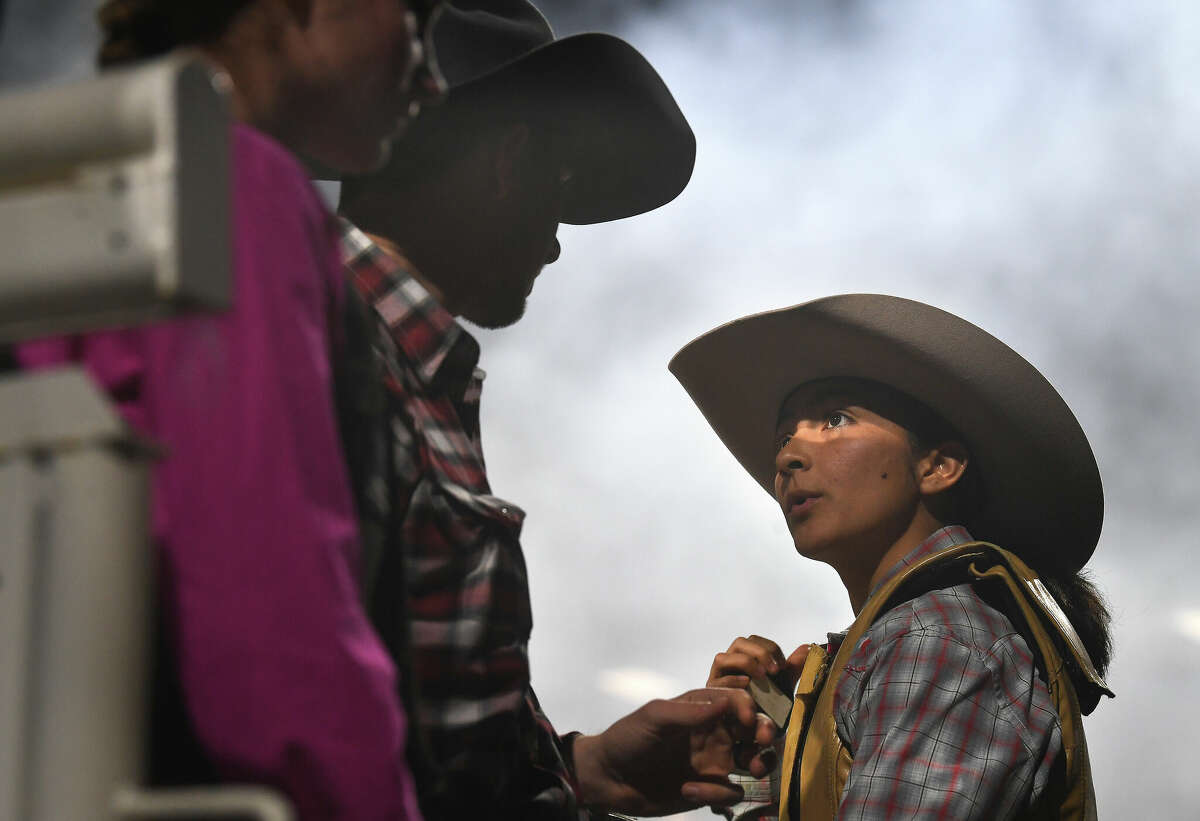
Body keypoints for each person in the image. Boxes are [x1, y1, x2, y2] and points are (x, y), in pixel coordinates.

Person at [334, 1, 772, 818]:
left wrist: (589, 768)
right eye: (561, 191)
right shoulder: (329, 346)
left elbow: (417, 736)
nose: (557, 240)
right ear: (511, 160)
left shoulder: (405, 361)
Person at [17, 1, 444, 817]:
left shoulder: (70, 186)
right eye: (416, 18)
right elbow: (270, 617)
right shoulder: (234, 184)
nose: (429, 73)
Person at [668, 294, 1115, 820]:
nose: (787, 455)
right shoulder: (908, 639)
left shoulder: (935, 640)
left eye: (835, 419)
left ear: (938, 466)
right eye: (785, 435)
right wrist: (761, 764)